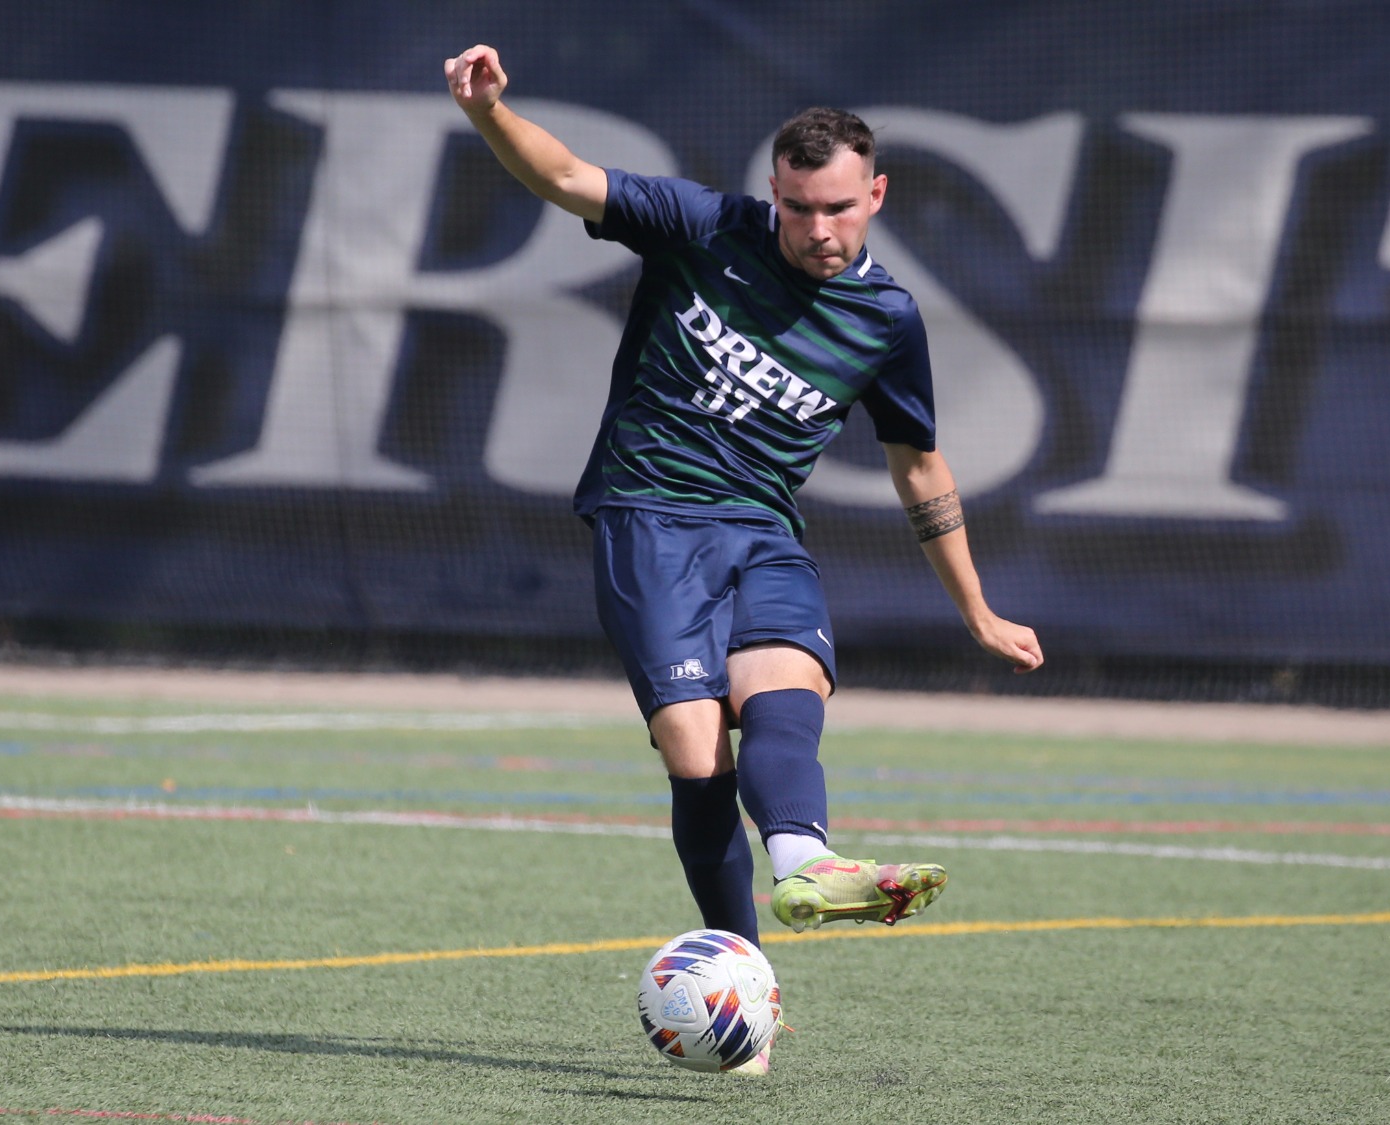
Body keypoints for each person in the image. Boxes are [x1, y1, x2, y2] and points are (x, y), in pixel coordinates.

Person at [445, 44, 1043, 1069]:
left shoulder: (886, 319)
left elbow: (920, 469)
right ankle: (750, 983)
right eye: (801, 208)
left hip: (763, 530)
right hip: (649, 518)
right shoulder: (700, 228)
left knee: (784, 690)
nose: (820, 229)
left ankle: (806, 860)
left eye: (841, 208)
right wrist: (491, 113)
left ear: (876, 194)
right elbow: (561, 176)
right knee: (693, 754)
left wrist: (977, 612)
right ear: (774, 192)